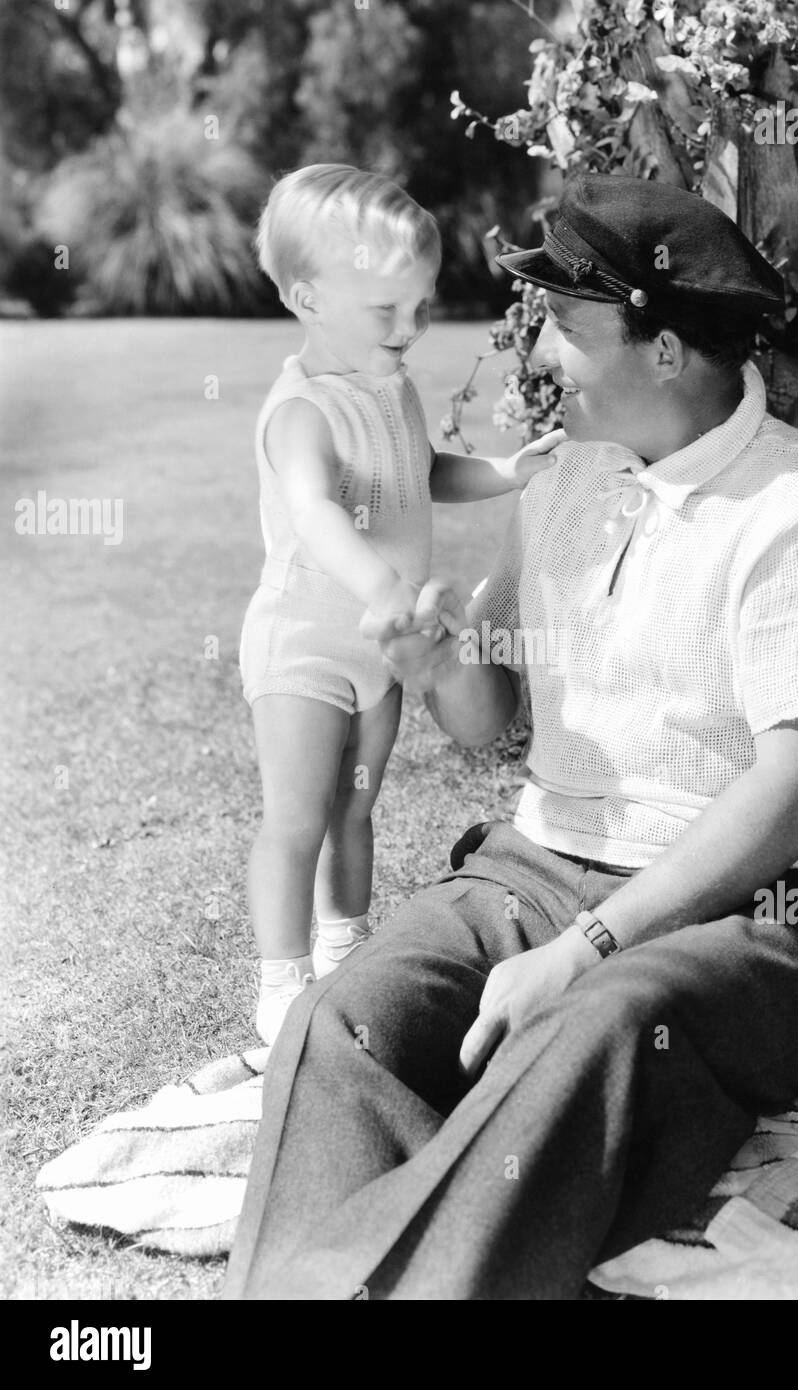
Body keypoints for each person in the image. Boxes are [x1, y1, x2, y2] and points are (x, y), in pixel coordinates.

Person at [224, 173, 798, 1299]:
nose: (538, 357)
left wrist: (584, 949)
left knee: (590, 1029)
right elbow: (486, 717)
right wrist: (439, 669)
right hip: (533, 870)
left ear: (666, 350)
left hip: (754, 914)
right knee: (349, 1023)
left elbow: (796, 791)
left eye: (569, 331)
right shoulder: (564, 478)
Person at [239, 164, 561, 1043]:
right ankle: (280, 982)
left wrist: (505, 471)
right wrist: (384, 590)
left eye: (419, 306)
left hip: (378, 654)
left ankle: (343, 956)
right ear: (308, 298)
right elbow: (314, 513)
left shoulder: (394, 390)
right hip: (306, 646)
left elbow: (422, 475)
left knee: (353, 808)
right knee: (298, 816)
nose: (411, 327)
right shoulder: (301, 412)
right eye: (386, 312)